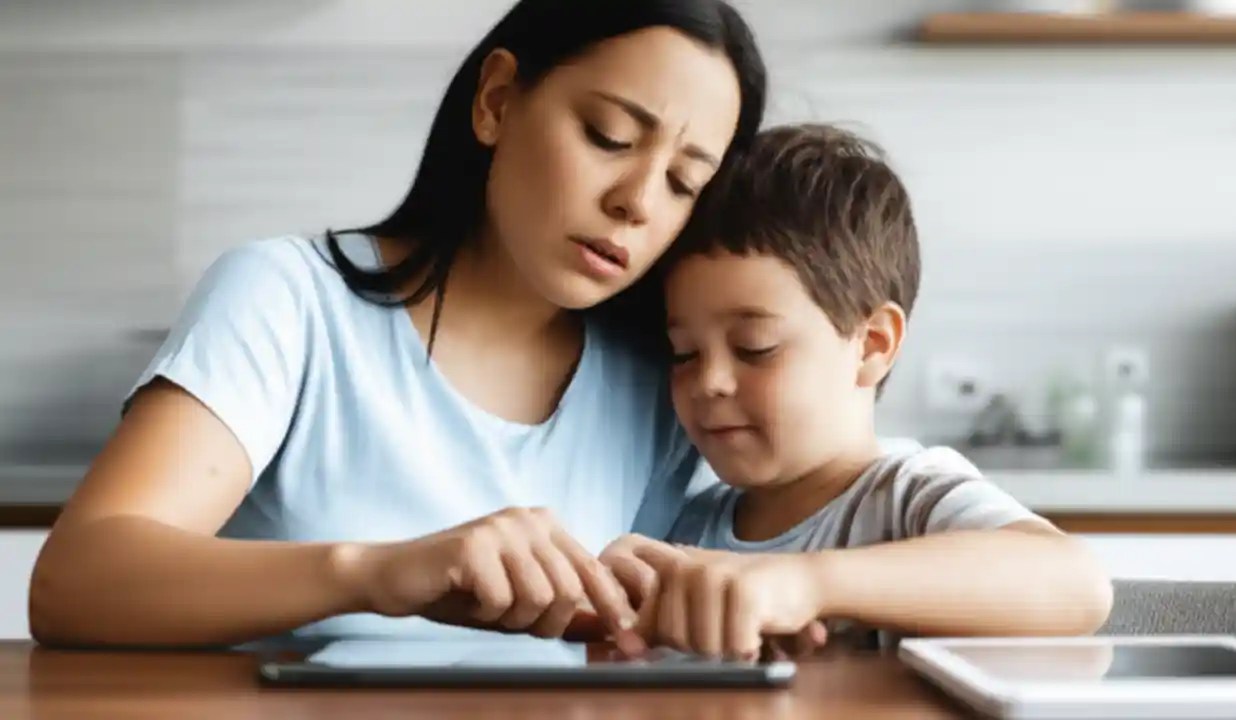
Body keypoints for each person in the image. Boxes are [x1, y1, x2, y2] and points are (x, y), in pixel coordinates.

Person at [27, 0, 766, 651]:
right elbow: (76, 582)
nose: (639, 202)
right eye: (608, 136)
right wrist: (380, 572)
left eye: (683, 183)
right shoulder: (289, 299)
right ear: (497, 101)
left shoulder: (665, 385)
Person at [601, 124, 1114, 661]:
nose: (709, 382)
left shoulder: (907, 497)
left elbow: (1076, 585)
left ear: (871, 345)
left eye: (755, 347)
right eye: (684, 353)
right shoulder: (684, 527)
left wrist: (806, 583)